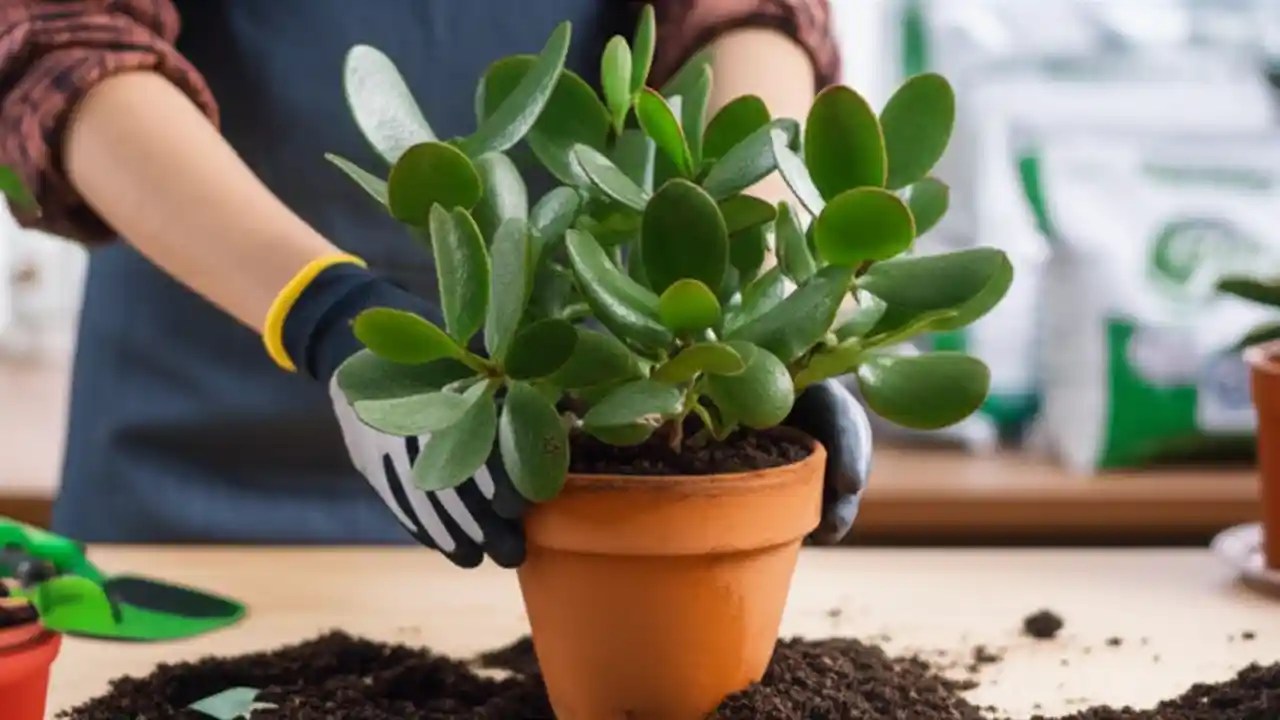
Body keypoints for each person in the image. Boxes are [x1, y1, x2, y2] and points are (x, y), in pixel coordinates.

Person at [0, 0, 872, 567]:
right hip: (184, 489)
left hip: (552, 481)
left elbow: (746, 18)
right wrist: (326, 309)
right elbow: (58, 49)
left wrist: (751, 308)